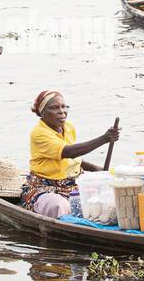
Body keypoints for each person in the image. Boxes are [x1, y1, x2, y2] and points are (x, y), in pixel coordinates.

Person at [21, 91, 119, 219]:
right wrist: (104, 139)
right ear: (42, 112)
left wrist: (95, 169)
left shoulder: (68, 128)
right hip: (45, 187)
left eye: (64, 107)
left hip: (73, 184)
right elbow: (68, 152)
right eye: (55, 108)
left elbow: (72, 158)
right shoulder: (39, 133)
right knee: (57, 205)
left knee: (109, 194)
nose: (62, 111)